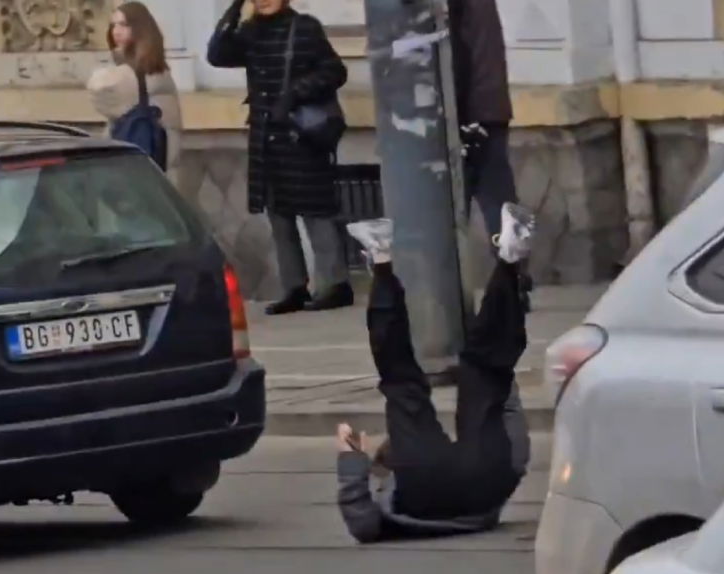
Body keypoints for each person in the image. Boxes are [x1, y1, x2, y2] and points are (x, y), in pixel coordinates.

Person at [335, 205, 535, 543]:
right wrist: (351, 459)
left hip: (483, 481)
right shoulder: (401, 485)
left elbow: (516, 455)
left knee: (485, 369)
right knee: (401, 381)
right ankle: (381, 257)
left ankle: (509, 260)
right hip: (425, 482)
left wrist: (502, 388)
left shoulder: (479, 505)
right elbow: (361, 523)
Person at [207, 0, 354, 314]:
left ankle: (335, 285)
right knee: (279, 214)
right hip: (266, 136)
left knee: (317, 210)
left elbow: (335, 70)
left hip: (301, 135)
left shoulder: (305, 27)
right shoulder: (250, 32)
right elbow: (217, 55)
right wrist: (234, 10)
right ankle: (294, 287)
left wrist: (296, 92)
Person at [450, 0, 532, 308]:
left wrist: (460, 114)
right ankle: (515, 275)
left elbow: (458, 58)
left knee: (473, 201)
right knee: (499, 200)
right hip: (488, 109)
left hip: (471, 113)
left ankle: (510, 278)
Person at [87, 2, 184, 189]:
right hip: (159, 175)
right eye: (113, 25)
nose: (116, 31)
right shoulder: (157, 70)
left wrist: (118, 56)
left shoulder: (136, 74)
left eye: (124, 25)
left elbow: (98, 87)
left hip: (138, 183)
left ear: (140, 29)